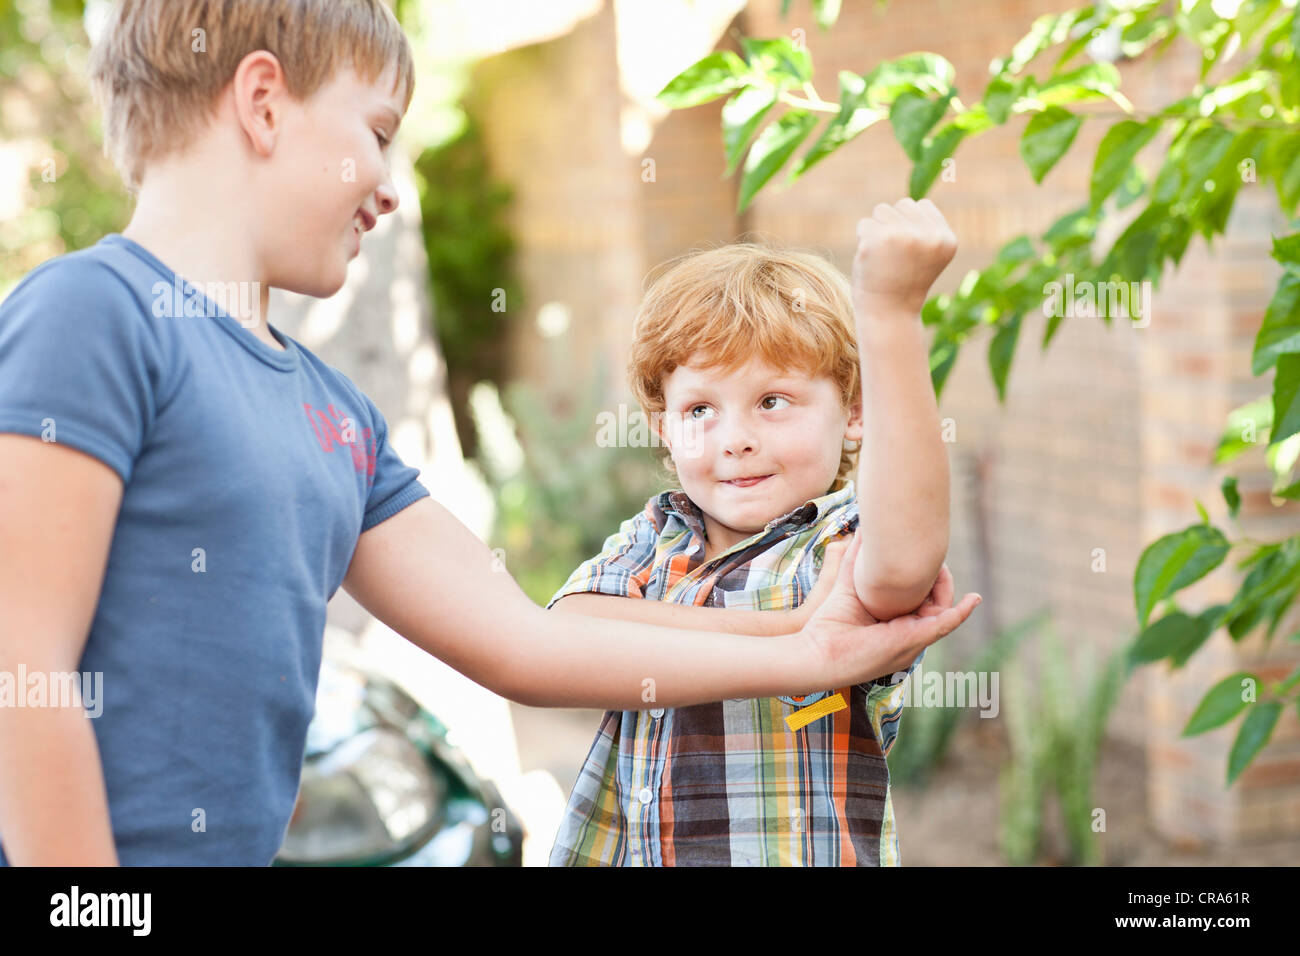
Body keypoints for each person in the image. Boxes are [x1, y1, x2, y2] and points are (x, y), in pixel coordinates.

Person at [0, 0, 980, 866]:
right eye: (376, 132)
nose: (386, 185)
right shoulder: (96, 314)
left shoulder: (336, 416)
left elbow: (523, 639)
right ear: (263, 102)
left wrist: (808, 647)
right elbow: (22, 662)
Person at [547, 208, 959, 865]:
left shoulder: (838, 542)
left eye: (772, 400)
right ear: (662, 427)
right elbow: (564, 633)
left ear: (855, 413)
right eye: (699, 409)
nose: (735, 438)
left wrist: (892, 314)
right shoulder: (658, 535)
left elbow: (905, 553)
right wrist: (795, 627)